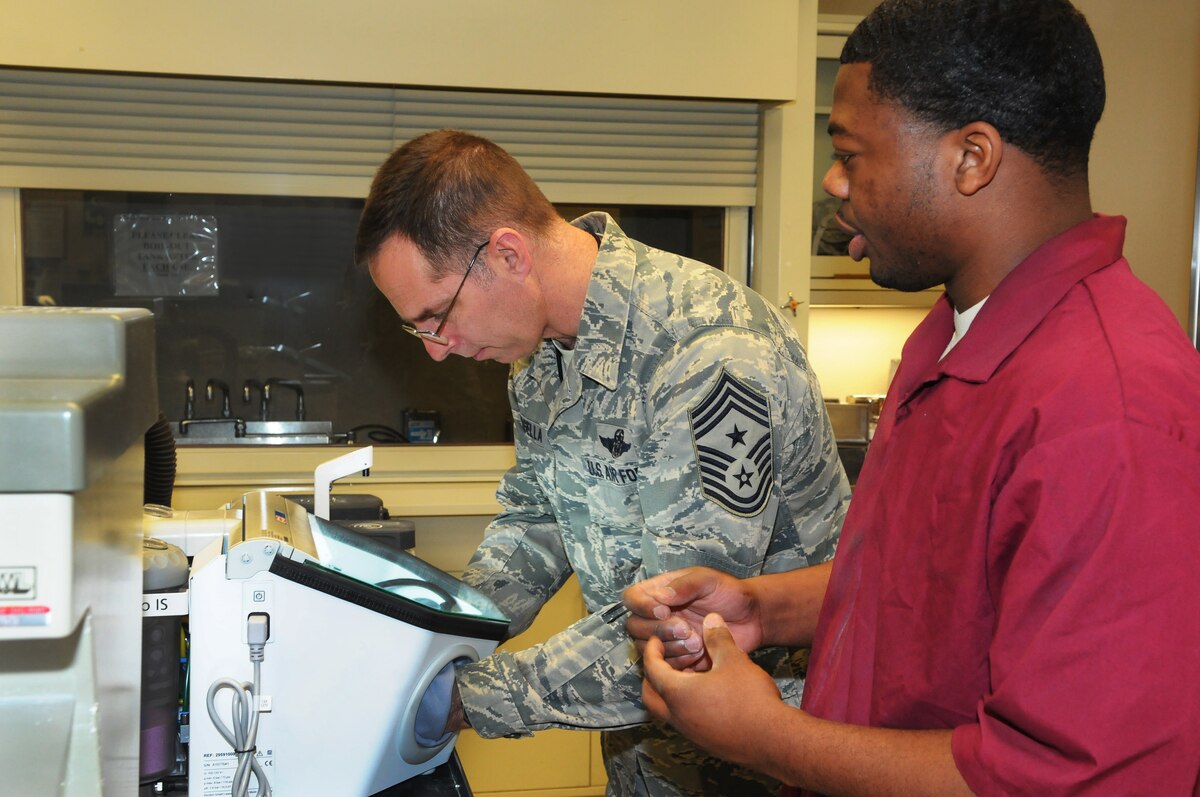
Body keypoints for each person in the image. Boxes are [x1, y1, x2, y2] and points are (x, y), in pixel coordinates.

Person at [623, 1, 1200, 795]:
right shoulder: (956, 334)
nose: (833, 180)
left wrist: (764, 735)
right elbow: (942, 577)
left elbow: (1059, 779)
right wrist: (765, 609)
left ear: (972, 158)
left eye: (851, 152)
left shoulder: (1108, 410)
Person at [354, 129, 851, 796]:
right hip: (647, 757)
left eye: (438, 316)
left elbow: (685, 629)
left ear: (507, 254)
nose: (437, 350)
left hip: (775, 759)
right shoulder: (539, 352)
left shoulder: (706, 353)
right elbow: (537, 517)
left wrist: (462, 699)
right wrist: (448, 629)